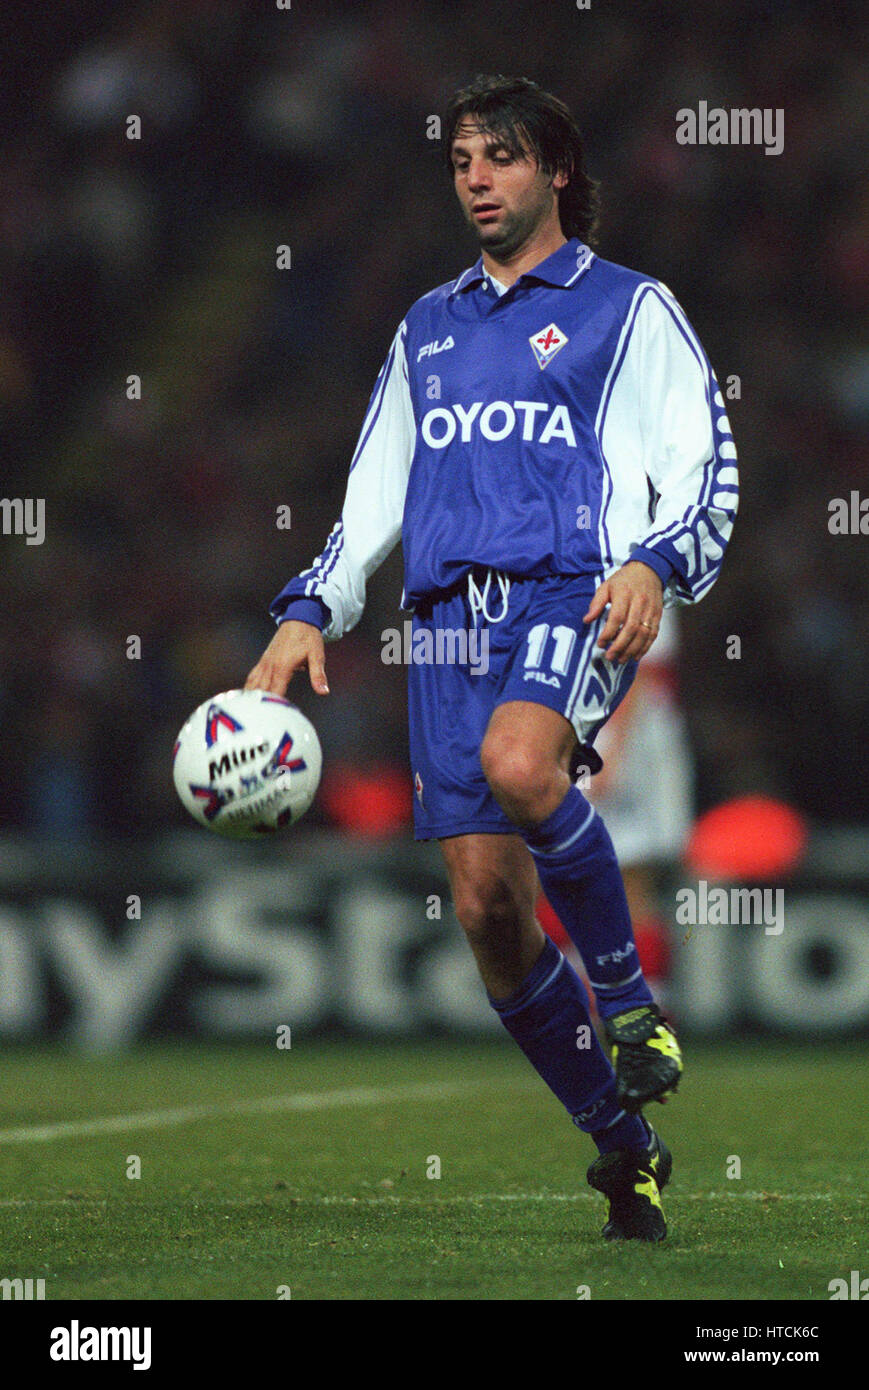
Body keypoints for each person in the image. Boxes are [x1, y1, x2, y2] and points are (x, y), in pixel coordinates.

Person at [246, 75, 738, 1242]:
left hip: (572, 593)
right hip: (447, 627)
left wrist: (655, 563)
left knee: (526, 766)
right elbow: (376, 482)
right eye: (462, 158)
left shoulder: (629, 308)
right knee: (485, 909)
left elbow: (704, 461)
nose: (474, 176)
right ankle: (625, 1147)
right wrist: (313, 602)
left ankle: (629, 1005)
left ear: (555, 171)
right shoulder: (428, 324)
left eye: (500, 157)